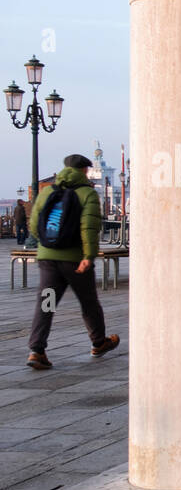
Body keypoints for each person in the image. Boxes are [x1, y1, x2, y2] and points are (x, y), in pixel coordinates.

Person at [25, 154, 120, 370]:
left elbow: (33, 225)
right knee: (88, 302)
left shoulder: (47, 191)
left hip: (48, 260)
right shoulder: (87, 194)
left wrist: (49, 244)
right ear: (85, 171)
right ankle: (98, 342)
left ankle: (36, 350)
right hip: (75, 262)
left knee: (46, 304)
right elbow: (90, 229)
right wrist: (88, 257)